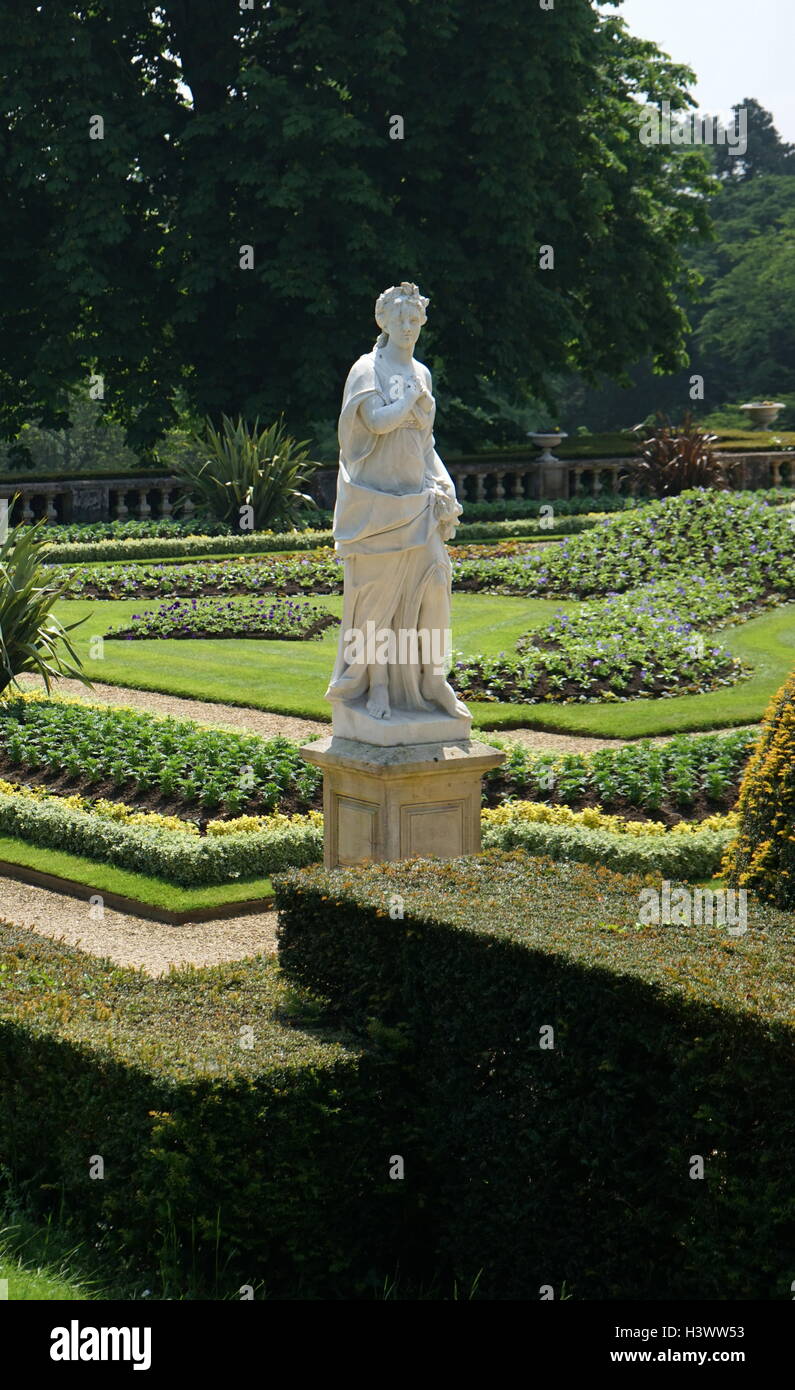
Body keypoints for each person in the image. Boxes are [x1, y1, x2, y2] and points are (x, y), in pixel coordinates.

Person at [325, 282, 469, 723]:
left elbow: (425, 445)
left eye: (415, 319)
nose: (408, 327)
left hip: (418, 505)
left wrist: (446, 486)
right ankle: (379, 685)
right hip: (376, 510)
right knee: (377, 603)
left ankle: (432, 679)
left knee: (434, 588)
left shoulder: (422, 372)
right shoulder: (368, 369)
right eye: (400, 318)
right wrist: (407, 398)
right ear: (381, 320)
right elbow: (378, 422)